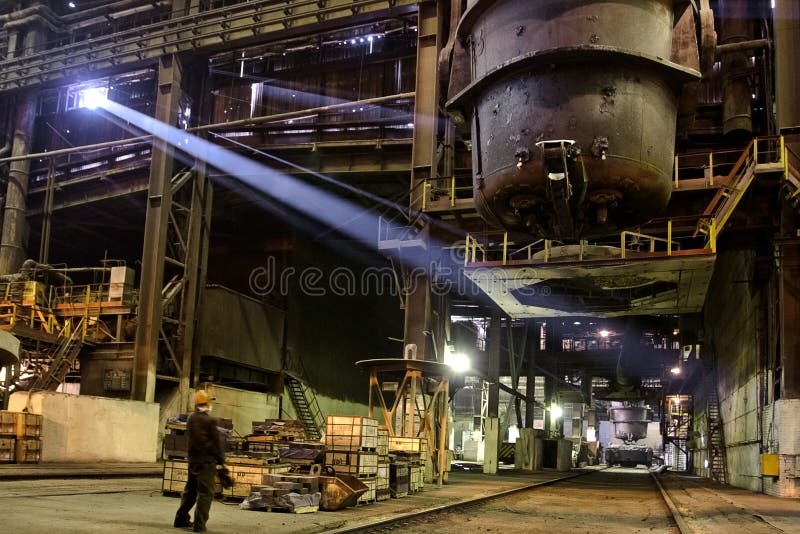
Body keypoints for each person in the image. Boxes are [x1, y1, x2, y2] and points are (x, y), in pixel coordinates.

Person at [174, 390, 226, 532]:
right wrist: (222, 461)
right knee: (206, 494)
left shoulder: (191, 418)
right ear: (207, 404)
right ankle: (199, 525)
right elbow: (216, 443)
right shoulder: (210, 421)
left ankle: (180, 519)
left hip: (193, 461)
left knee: (190, 491)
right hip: (206, 462)